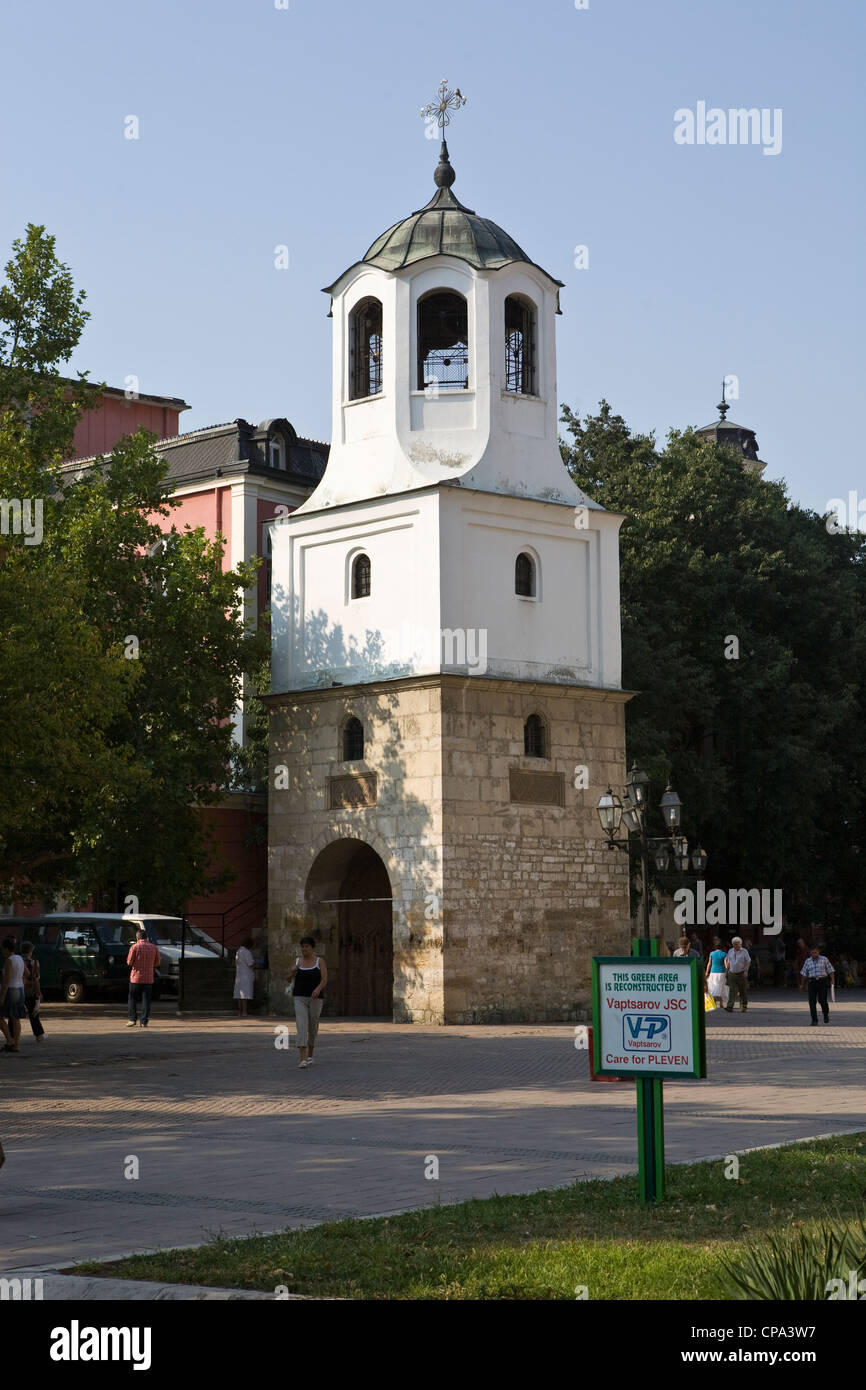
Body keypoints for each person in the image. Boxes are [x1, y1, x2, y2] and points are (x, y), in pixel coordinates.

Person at [287, 936, 328, 1069]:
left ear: (312, 948)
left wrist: (318, 989)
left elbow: (324, 979)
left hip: (315, 998)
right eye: (302, 946)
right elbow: (288, 979)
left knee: (312, 1025)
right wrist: (293, 971)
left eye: (307, 946)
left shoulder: (319, 961)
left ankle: (310, 1054)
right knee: (301, 1024)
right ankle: (302, 1058)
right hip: (299, 997)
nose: (304, 949)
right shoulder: (298, 961)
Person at [126, 928, 160, 1028]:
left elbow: (129, 962)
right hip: (149, 978)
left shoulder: (134, 947)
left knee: (132, 998)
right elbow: (158, 962)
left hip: (135, 978)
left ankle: (132, 1019)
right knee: (146, 1000)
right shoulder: (154, 947)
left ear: (137, 937)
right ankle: (144, 1021)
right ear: (146, 937)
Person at [0, 936, 28, 1053]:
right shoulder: (20, 958)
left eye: (2, 949)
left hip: (11, 990)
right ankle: (16, 1045)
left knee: (0, 1017)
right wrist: (22, 983)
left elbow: (7, 979)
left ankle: (10, 1040)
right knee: (16, 1018)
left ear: (6, 949)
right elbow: (27, 973)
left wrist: (2, 996)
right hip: (20, 989)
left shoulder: (9, 960)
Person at [800, 947, 834, 1025]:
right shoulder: (808, 961)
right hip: (812, 982)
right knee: (812, 1002)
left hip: (822, 982)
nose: (814, 954)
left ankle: (825, 1015)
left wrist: (832, 980)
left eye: (815, 952)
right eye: (812, 953)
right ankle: (814, 1020)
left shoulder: (824, 959)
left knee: (822, 1000)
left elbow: (830, 970)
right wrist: (802, 984)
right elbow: (804, 973)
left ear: (818, 952)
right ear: (810, 953)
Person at [20, 942, 45, 1042]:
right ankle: (39, 1035)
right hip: (31, 991)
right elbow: (36, 979)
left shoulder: (17, 961)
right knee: (34, 1014)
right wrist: (39, 992)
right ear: (30, 951)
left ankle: (12, 1035)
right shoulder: (34, 963)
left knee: (13, 1016)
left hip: (19, 989)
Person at [724, 936, 751, 1013]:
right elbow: (728, 961)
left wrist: (746, 971)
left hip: (741, 973)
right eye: (734, 944)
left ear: (740, 944)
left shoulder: (744, 951)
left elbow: (748, 961)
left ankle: (743, 1006)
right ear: (733, 944)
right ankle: (730, 1006)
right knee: (732, 990)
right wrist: (727, 971)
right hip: (732, 973)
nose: (736, 946)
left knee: (743, 990)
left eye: (738, 944)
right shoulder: (730, 951)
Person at [234, 936, 257, 1018]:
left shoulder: (238, 951)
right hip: (246, 975)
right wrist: (256, 964)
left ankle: (239, 1011)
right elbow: (250, 963)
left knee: (239, 995)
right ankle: (244, 1012)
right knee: (245, 995)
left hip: (239, 975)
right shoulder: (246, 952)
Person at [705, 939, 729, 1007]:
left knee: (713, 986)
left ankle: (714, 1002)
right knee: (721, 987)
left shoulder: (712, 953)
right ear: (722, 947)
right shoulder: (724, 954)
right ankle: (721, 1004)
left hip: (713, 972)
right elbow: (726, 965)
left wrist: (707, 972)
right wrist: (727, 972)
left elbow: (709, 963)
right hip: (722, 972)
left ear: (715, 946)